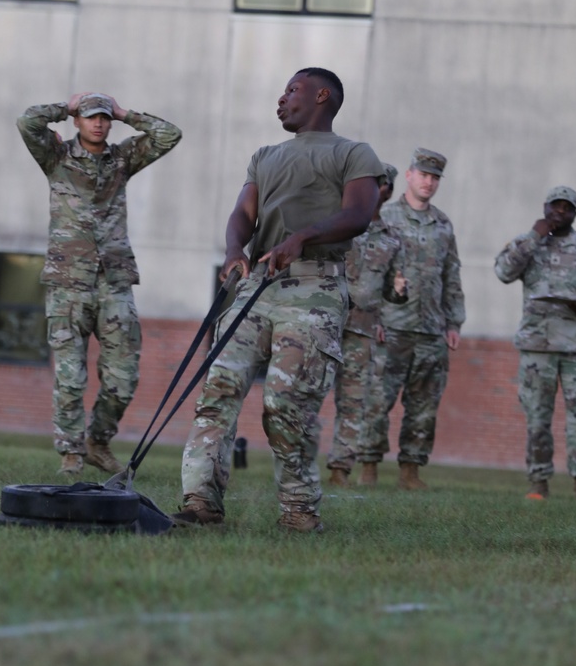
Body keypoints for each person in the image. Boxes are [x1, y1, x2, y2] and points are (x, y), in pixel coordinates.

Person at [177, 68, 383, 533]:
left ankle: (298, 510)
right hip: (256, 288)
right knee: (217, 391)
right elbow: (243, 213)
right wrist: (234, 251)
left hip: (315, 290)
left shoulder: (353, 153)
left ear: (322, 95)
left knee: (287, 402)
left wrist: (303, 238)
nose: (282, 98)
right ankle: (200, 503)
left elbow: (359, 214)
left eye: (293, 90)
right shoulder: (265, 155)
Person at [17, 92, 181, 476]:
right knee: (70, 376)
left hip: (114, 281)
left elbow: (169, 135)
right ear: (78, 120)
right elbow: (28, 121)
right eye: (91, 116)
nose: (99, 123)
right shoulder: (56, 157)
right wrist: (64, 107)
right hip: (68, 283)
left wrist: (127, 113)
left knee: (124, 376)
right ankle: (71, 453)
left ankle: (98, 440)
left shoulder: (122, 159)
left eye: (105, 118)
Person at [494, 184, 576, 501]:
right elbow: (504, 272)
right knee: (537, 417)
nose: (559, 212)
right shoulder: (527, 243)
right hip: (537, 346)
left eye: (567, 208)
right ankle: (538, 484)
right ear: (545, 207)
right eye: (555, 206)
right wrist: (534, 236)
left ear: (575, 213)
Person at [357, 147, 465, 490]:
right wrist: (372, 318)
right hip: (390, 326)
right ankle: (369, 467)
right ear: (409, 175)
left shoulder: (443, 224)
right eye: (423, 175)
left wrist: (453, 322)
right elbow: (370, 273)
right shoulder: (384, 218)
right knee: (377, 400)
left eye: (435, 178)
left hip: (431, 329)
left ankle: (410, 471)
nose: (429, 183)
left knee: (424, 406)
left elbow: (452, 274)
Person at [327, 164, 407, 486]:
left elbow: (392, 291)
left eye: (386, 186)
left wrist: (400, 292)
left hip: (362, 329)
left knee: (353, 402)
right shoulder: (338, 222)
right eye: (375, 184)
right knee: (307, 395)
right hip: (326, 321)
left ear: (388, 193)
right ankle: (296, 465)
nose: (380, 191)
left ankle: (339, 471)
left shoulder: (392, 240)